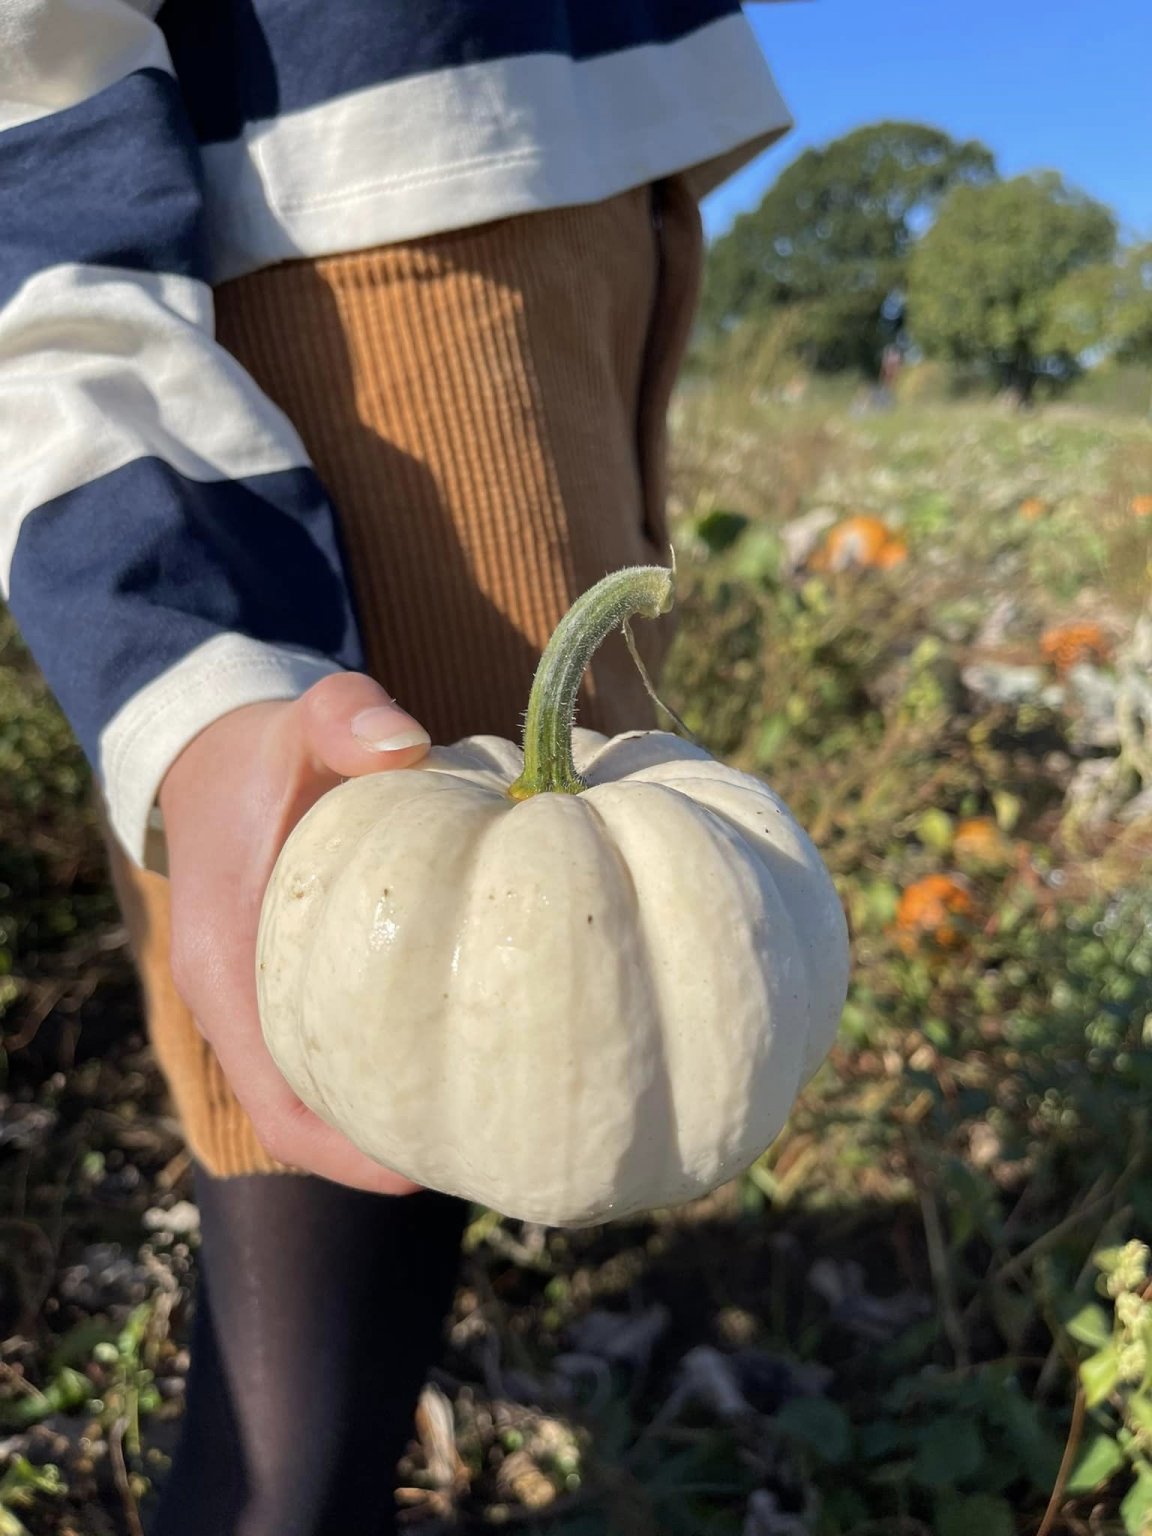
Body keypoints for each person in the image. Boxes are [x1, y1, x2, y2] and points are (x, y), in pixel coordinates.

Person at [0, 5, 792, 1531]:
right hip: (335, 225)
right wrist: (175, 631)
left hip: (580, 178)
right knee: (330, 1065)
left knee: (436, 1050)